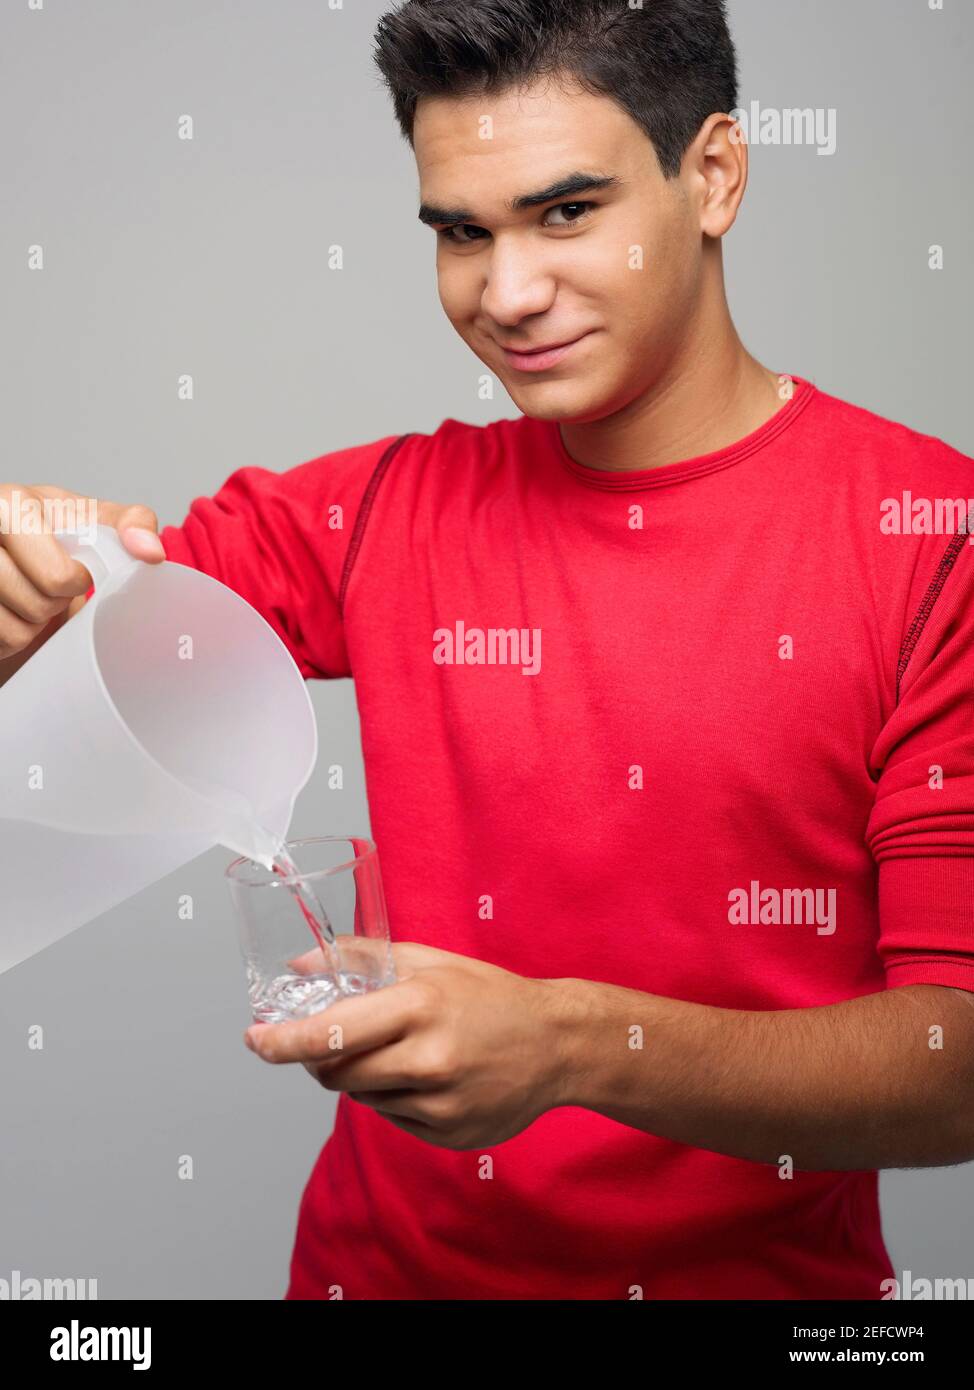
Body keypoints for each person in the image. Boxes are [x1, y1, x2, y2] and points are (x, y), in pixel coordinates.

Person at [3, 0, 974, 1301]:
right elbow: (107, 616)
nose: (504, 295)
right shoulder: (380, 514)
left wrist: (574, 1045)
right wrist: (30, 588)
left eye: (565, 212)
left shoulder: (928, 540)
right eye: (461, 232)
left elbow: (955, 1057)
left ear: (714, 176)